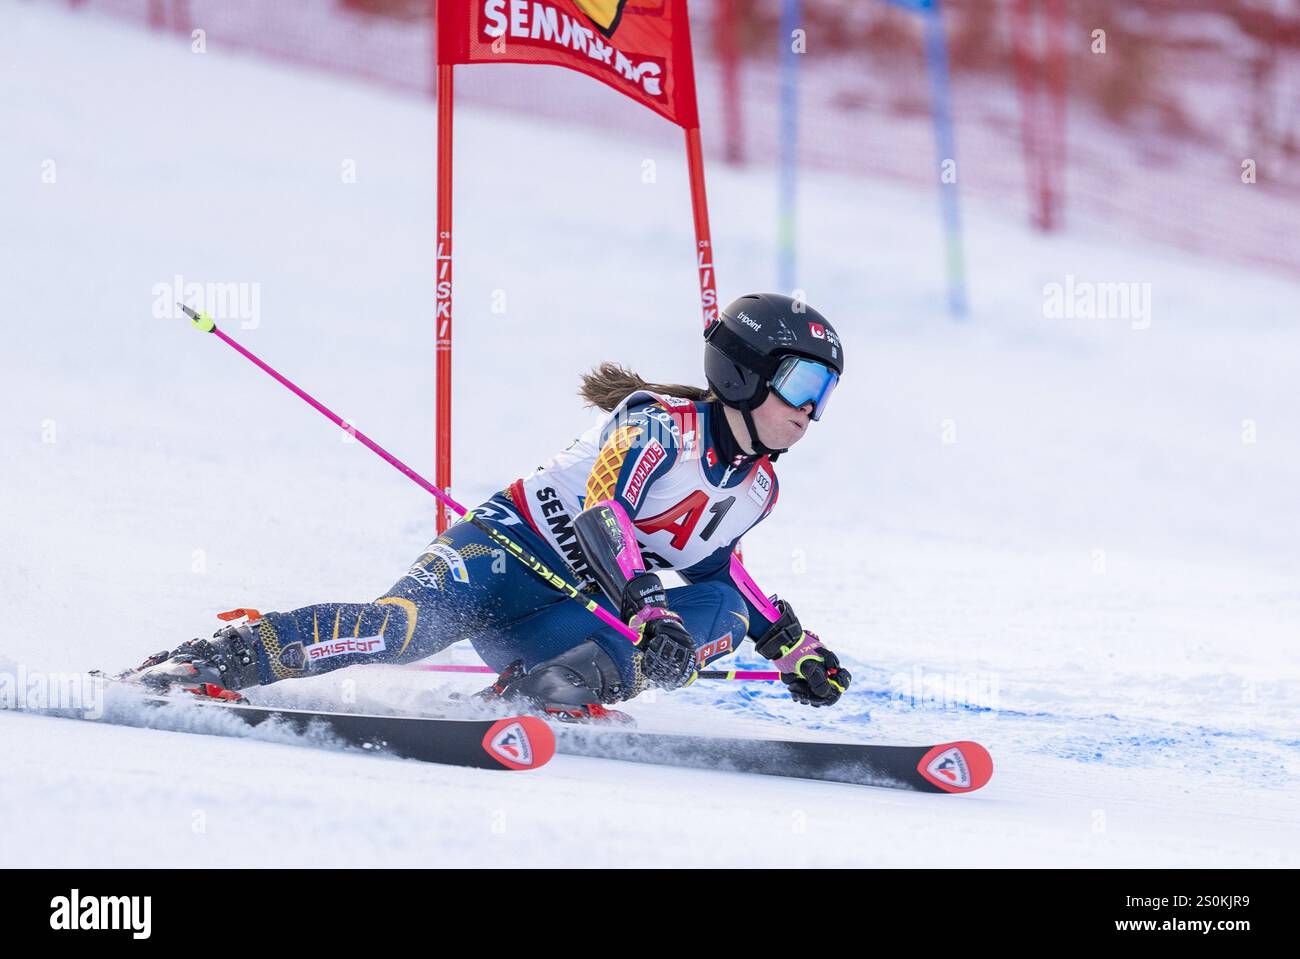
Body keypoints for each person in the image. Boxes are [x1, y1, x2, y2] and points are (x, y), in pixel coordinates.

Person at [123, 293, 852, 720]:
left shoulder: (758, 488)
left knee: (717, 616)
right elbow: (605, 510)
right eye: (801, 386)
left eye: (823, 395)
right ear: (746, 372)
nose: (810, 413)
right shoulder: (656, 422)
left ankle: (539, 696)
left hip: (563, 621)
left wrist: (789, 644)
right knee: (402, 629)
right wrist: (647, 608)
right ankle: (215, 660)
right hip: (500, 554)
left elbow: (720, 571)